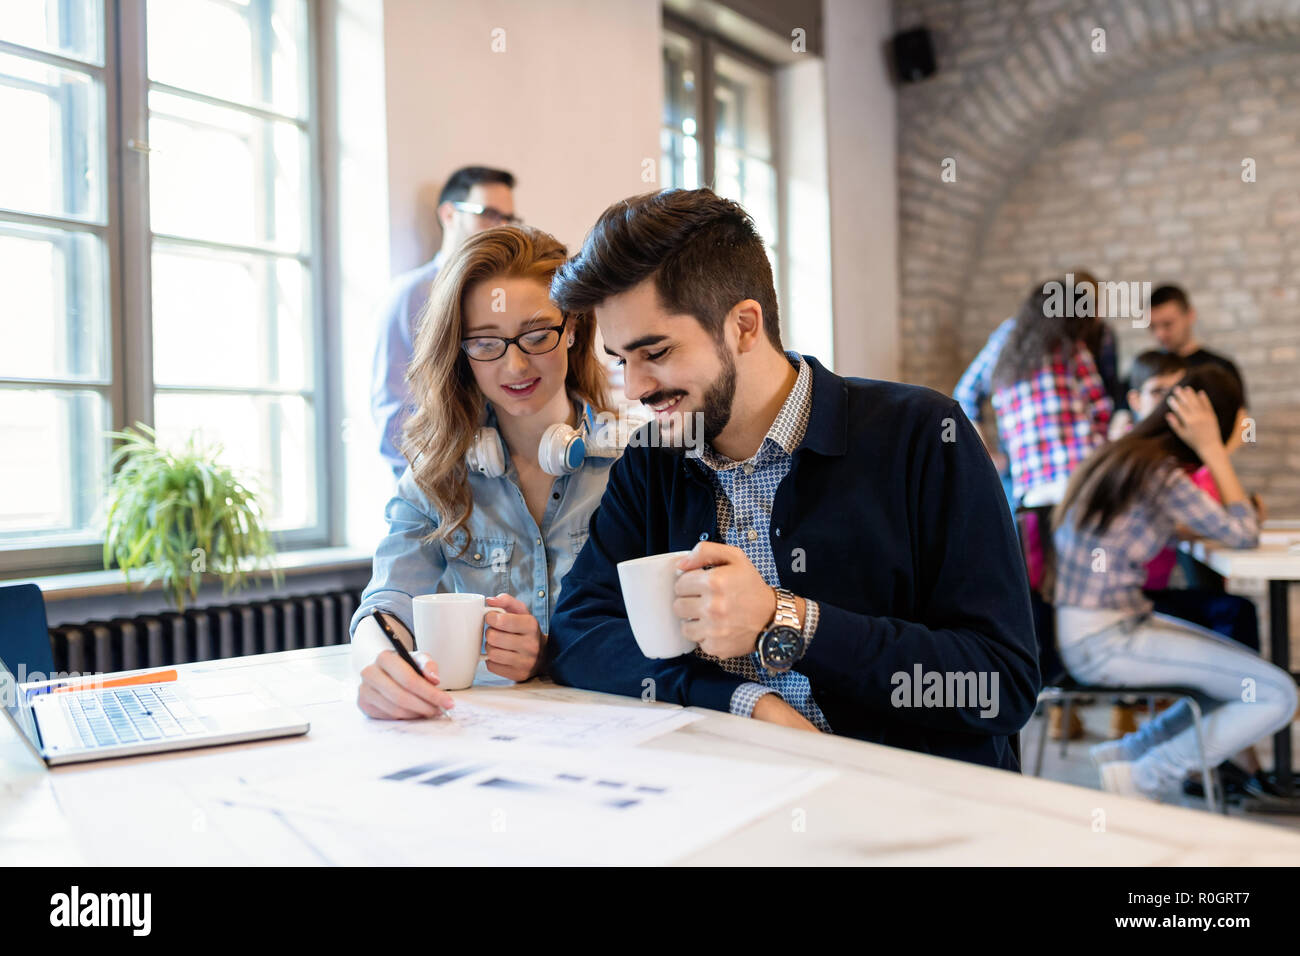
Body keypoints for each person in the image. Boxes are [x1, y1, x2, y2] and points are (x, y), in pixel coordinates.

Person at [545, 188, 1039, 771]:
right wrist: (743, 702)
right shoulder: (654, 458)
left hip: (902, 806)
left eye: (655, 352)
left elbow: (997, 684)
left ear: (744, 326)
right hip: (724, 786)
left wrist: (788, 621)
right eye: (620, 360)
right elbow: (577, 633)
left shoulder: (923, 434)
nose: (634, 388)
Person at [348, 225, 614, 719]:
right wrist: (378, 660)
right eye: (486, 344)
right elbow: (387, 601)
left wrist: (549, 652)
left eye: (537, 336)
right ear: (460, 353)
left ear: (573, 327)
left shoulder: (632, 465)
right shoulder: (438, 475)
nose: (515, 366)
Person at [1051, 365, 1296, 801]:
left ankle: (1128, 754)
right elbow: (1242, 535)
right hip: (1107, 639)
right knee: (1277, 694)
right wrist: (1215, 451)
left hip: (1092, 630)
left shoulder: (1127, 457)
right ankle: (1145, 775)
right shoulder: (1159, 472)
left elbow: (1203, 525)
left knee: (1241, 678)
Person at [372, 166, 519, 477]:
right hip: (436, 487)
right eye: (488, 213)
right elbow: (392, 408)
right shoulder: (410, 296)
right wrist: (422, 488)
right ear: (449, 214)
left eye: (509, 218)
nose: (501, 227)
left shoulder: (508, 296)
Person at [955, 270, 1122, 509]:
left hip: (1029, 478)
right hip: (1079, 474)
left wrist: (988, 456)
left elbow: (965, 393)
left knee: (1031, 543)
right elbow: (1100, 406)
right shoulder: (1070, 346)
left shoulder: (1007, 340)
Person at [1148, 284, 1247, 404]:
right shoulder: (1145, 370)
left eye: (1167, 324)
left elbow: (1241, 419)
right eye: (1152, 326)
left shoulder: (1221, 368)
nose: (1160, 334)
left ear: (1190, 315)